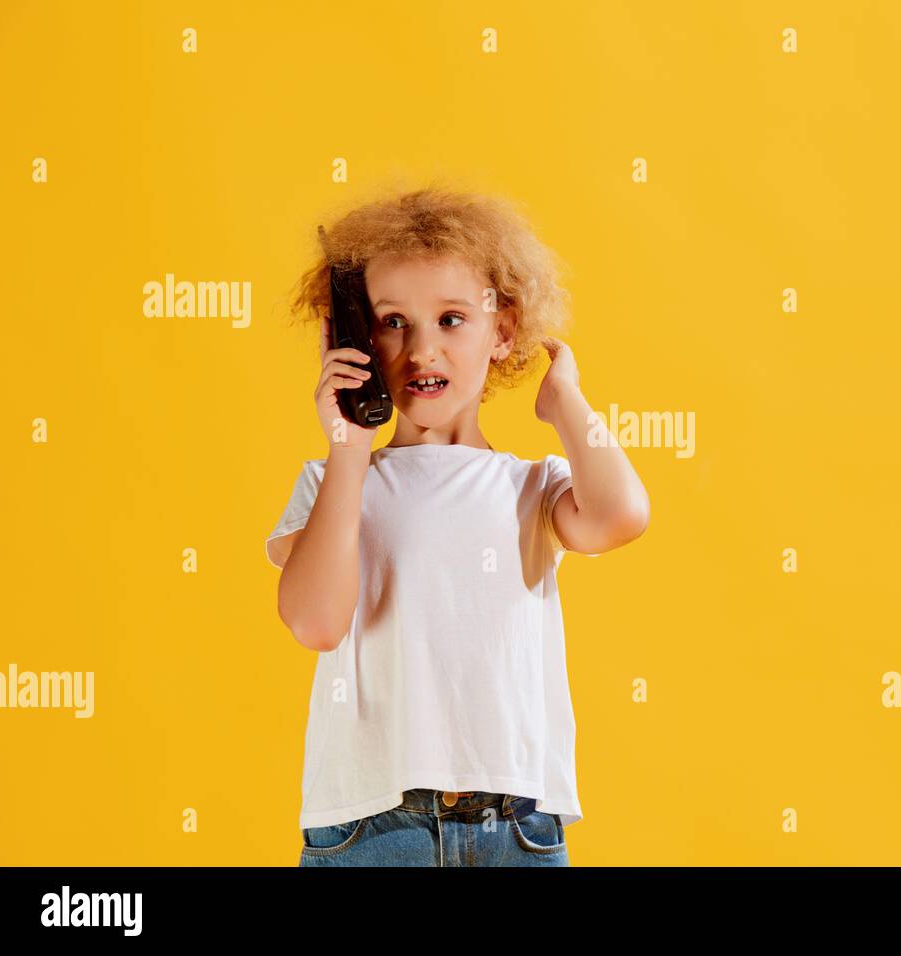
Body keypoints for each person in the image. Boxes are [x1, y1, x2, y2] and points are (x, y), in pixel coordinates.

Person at [265, 185, 649, 866]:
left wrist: (567, 405)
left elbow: (622, 516)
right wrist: (349, 447)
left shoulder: (531, 486)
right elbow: (316, 623)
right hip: (375, 830)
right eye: (390, 322)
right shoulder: (334, 483)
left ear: (503, 333)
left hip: (517, 828)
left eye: (451, 320)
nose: (421, 350)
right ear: (353, 335)